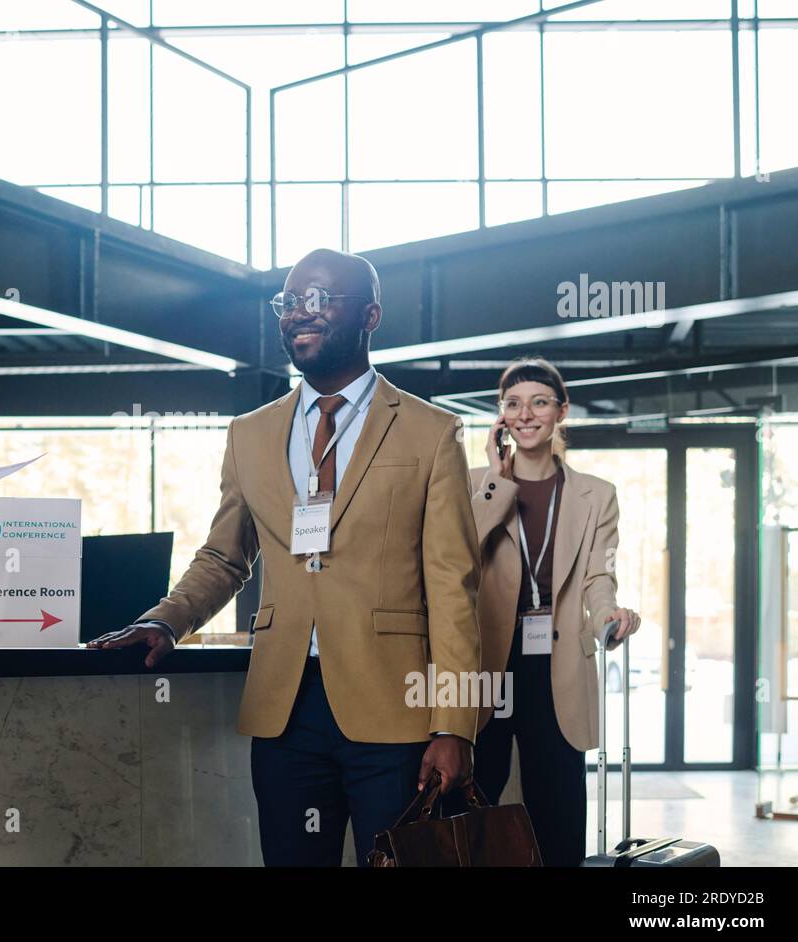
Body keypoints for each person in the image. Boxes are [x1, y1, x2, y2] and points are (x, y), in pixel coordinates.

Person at [90, 248, 481, 867]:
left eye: (321, 299)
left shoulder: (431, 433)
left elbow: (454, 587)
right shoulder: (249, 433)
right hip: (286, 711)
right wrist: (167, 618)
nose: (302, 312)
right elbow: (224, 557)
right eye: (291, 301)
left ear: (371, 315)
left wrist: (455, 723)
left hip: (397, 712)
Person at [469, 356, 641, 866]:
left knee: (558, 807)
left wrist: (608, 616)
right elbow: (458, 560)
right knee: (473, 799)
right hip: (487, 662)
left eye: (539, 402)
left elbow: (597, 577)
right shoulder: (472, 481)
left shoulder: (596, 495)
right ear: (500, 415)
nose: (526, 414)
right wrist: (496, 481)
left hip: (557, 664)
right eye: (513, 403)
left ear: (561, 411)